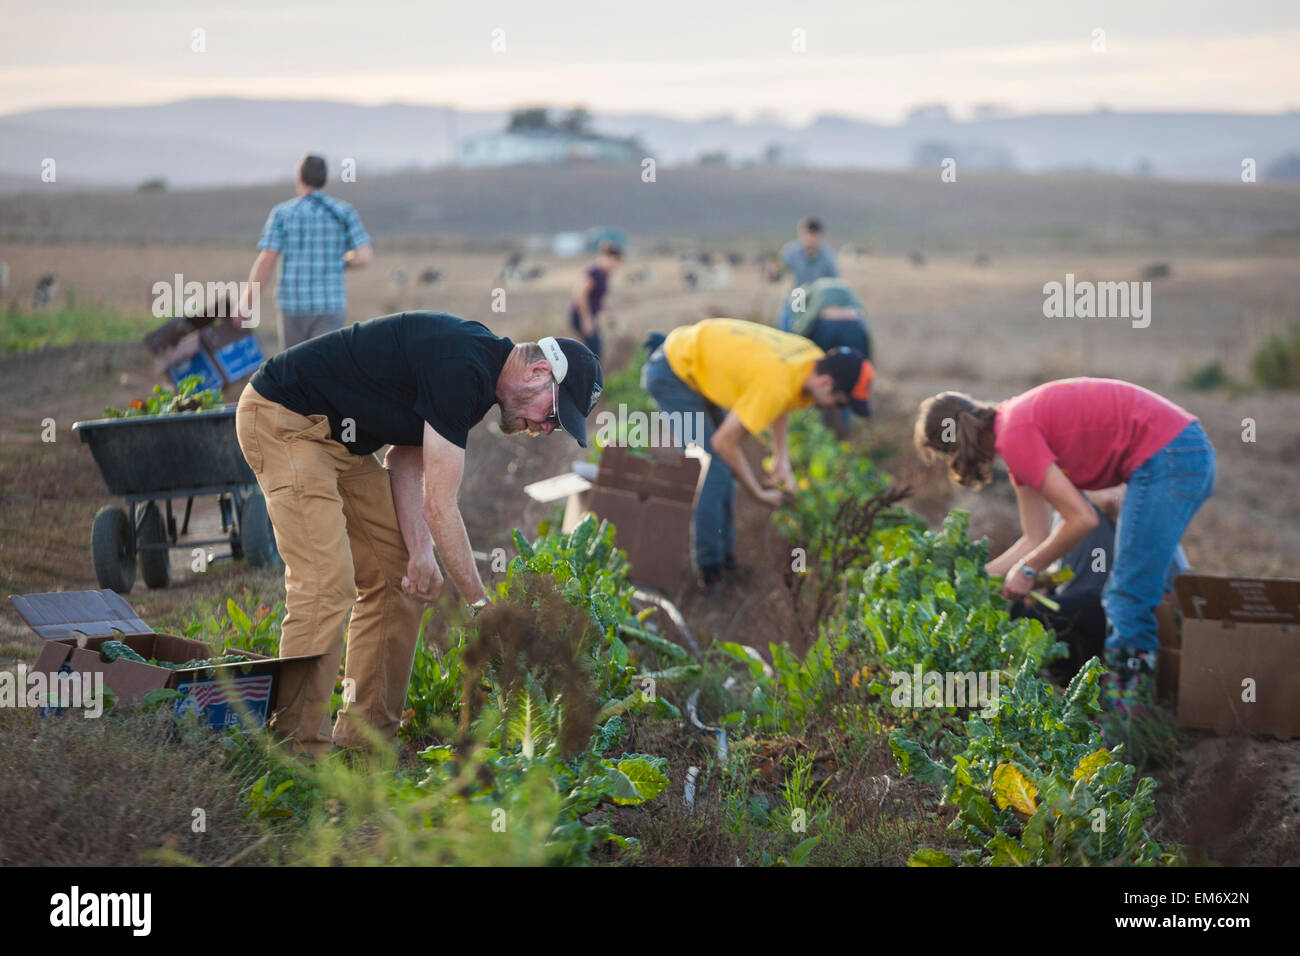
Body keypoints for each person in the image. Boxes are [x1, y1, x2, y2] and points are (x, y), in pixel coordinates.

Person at [235, 312, 602, 758]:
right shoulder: (465, 367)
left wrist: (419, 554)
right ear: (538, 372)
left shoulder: (478, 379)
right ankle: (293, 755)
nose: (546, 428)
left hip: (339, 444)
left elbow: (405, 462)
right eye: (553, 414)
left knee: (398, 580)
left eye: (557, 426)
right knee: (326, 581)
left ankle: (364, 745)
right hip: (285, 419)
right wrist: (481, 606)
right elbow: (440, 506)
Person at [913, 378, 1215, 718]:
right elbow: (1035, 538)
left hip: (1172, 454)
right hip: (1176, 450)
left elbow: (1081, 518)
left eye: (948, 456)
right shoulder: (1013, 431)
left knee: (1127, 596)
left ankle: (1129, 718)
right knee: (1136, 590)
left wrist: (1028, 570)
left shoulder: (1016, 435)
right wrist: (972, 581)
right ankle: (1151, 703)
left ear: (956, 447)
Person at [642, 318, 873, 591]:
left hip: (695, 363)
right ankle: (710, 572)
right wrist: (757, 493)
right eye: (841, 402)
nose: (837, 409)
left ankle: (726, 561)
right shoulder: (776, 382)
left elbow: (783, 402)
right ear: (826, 383)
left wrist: (781, 459)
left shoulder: (809, 357)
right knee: (712, 471)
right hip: (672, 374)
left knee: (722, 470)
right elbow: (724, 443)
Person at [1009, 488, 1189, 685]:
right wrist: (1042, 581)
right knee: (1025, 609)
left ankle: (1077, 689)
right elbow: (1070, 564)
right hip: (1094, 598)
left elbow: (1112, 499)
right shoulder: (1068, 502)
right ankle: (1070, 687)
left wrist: (1073, 478)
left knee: (1031, 614)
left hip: (1135, 602)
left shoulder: (1101, 483)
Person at [238, 154, 373, 351]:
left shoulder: (283, 213)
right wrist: (340, 262)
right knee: (324, 370)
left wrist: (246, 303)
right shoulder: (343, 212)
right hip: (330, 306)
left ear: (299, 178)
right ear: (326, 180)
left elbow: (267, 261)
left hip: (293, 306)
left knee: (294, 371)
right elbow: (364, 258)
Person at [787, 277, 873, 434]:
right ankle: (842, 431)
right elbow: (863, 320)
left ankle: (813, 428)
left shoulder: (804, 290)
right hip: (854, 327)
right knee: (848, 383)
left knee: (818, 377)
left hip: (825, 326)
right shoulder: (844, 286)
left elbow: (797, 322)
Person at [777, 216, 838, 332]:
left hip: (817, 301)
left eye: (813, 235)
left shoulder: (827, 257)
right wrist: (773, 271)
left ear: (819, 236)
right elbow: (778, 275)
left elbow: (834, 283)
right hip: (797, 298)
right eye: (807, 234)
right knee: (789, 330)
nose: (810, 239)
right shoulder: (791, 252)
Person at [568, 240, 623, 360]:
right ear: (607, 257)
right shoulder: (595, 272)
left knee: (593, 351)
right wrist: (586, 319)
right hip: (581, 315)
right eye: (615, 260)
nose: (616, 265)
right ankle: (590, 377)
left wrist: (608, 312)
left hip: (590, 315)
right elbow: (580, 294)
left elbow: (597, 297)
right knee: (594, 352)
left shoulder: (604, 273)